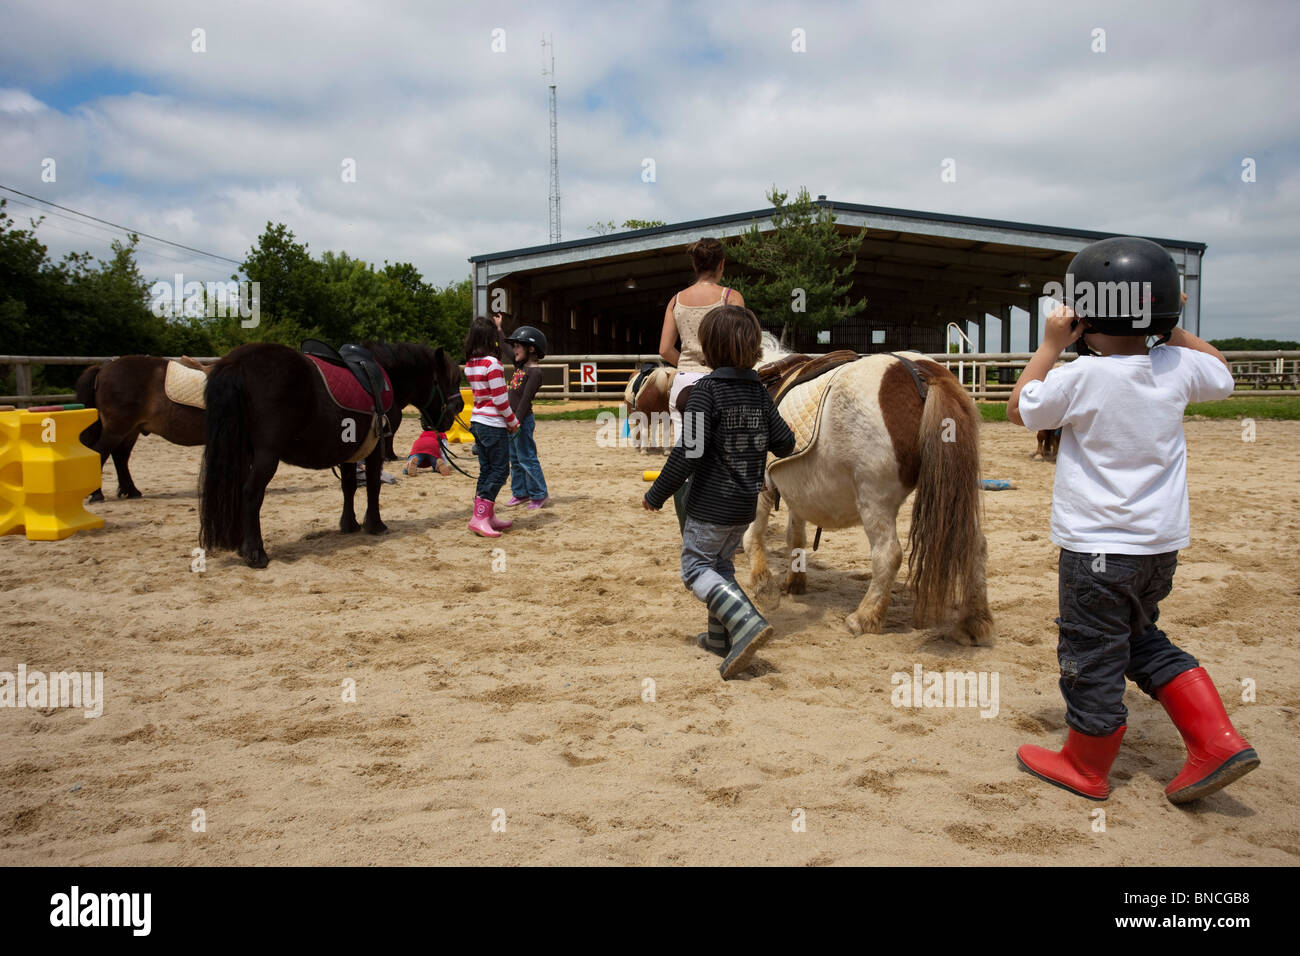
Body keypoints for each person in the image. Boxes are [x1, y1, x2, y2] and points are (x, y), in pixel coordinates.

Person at [1008, 235, 1259, 804]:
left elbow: (1020, 407)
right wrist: (1168, 326)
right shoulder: (1177, 367)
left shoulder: (1079, 377)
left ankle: (1086, 763)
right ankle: (1215, 739)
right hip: (1158, 547)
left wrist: (1049, 346)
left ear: (1082, 317)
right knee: (1140, 638)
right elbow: (1222, 371)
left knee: (1091, 649)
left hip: (1096, 548)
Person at [643, 304, 795, 680]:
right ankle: (718, 637)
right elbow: (786, 443)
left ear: (708, 347)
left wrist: (657, 493)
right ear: (753, 348)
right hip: (744, 507)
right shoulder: (759, 393)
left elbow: (689, 453)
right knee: (721, 566)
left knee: (695, 568)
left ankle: (746, 624)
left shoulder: (704, 392)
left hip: (710, 504)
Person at [658, 238, 745, 531]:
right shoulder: (731, 298)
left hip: (684, 383)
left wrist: (687, 364)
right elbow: (741, 348)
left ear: (695, 265)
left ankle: (689, 529)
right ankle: (722, 526)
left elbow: (664, 350)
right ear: (721, 265)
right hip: (721, 381)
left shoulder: (676, 300)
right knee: (725, 457)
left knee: (686, 456)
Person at [463, 314, 520, 537]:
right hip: (492, 423)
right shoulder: (492, 364)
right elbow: (499, 399)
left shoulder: (470, 364)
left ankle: (487, 514)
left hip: (477, 420)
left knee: (486, 470)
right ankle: (479, 516)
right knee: (499, 471)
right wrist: (512, 421)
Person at [502, 324, 550, 509]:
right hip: (512, 419)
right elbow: (507, 350)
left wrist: (516, 421)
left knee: (527, 457)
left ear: (531, 348)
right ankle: (520, 493)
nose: (513, 350)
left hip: (521, 420)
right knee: (514, 459)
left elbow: (525, 400)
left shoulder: (535, 372)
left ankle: (539, 494)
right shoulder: (520, 365)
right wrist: (500, 329)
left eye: (517, 346)